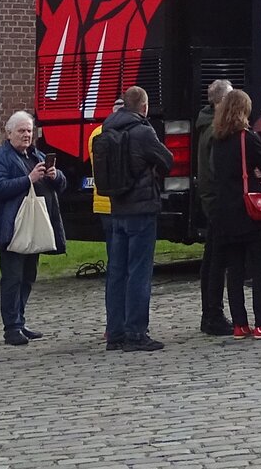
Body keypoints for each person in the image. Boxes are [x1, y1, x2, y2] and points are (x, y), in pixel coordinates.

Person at [91, 88, 172, 351]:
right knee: (139, 271)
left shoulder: (107, 129)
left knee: (116, 272)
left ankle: (114, 334)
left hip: (115, 207)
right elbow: (167, 160)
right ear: (144, 106)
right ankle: (136, 333)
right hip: (141, 209)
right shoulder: (143, 131)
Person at [205, 89, 261, 339]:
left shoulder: (217, 138)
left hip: (224, 212)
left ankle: (239, 323)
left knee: (235, 269)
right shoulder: (246, 137)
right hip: (249, 210)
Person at [0, 110, 66, 345]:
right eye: (21, 131)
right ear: (9, 133)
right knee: (12, 278)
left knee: (28, 276)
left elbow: (62, 185)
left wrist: (54, 175)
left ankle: (20, 320)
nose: (26, 135)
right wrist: (28, 179)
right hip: (12, 227)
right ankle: (11, 327)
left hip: (35, 226)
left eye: (29, 130)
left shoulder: (37, 155)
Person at [193, 77, 233, 335]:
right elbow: (215, 172)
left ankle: (210, 313)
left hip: (211, 201)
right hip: (217, 203)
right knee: (216, 262)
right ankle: (213, 314)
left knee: (211, 260)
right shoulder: (214, 131)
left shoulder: (206, 124)